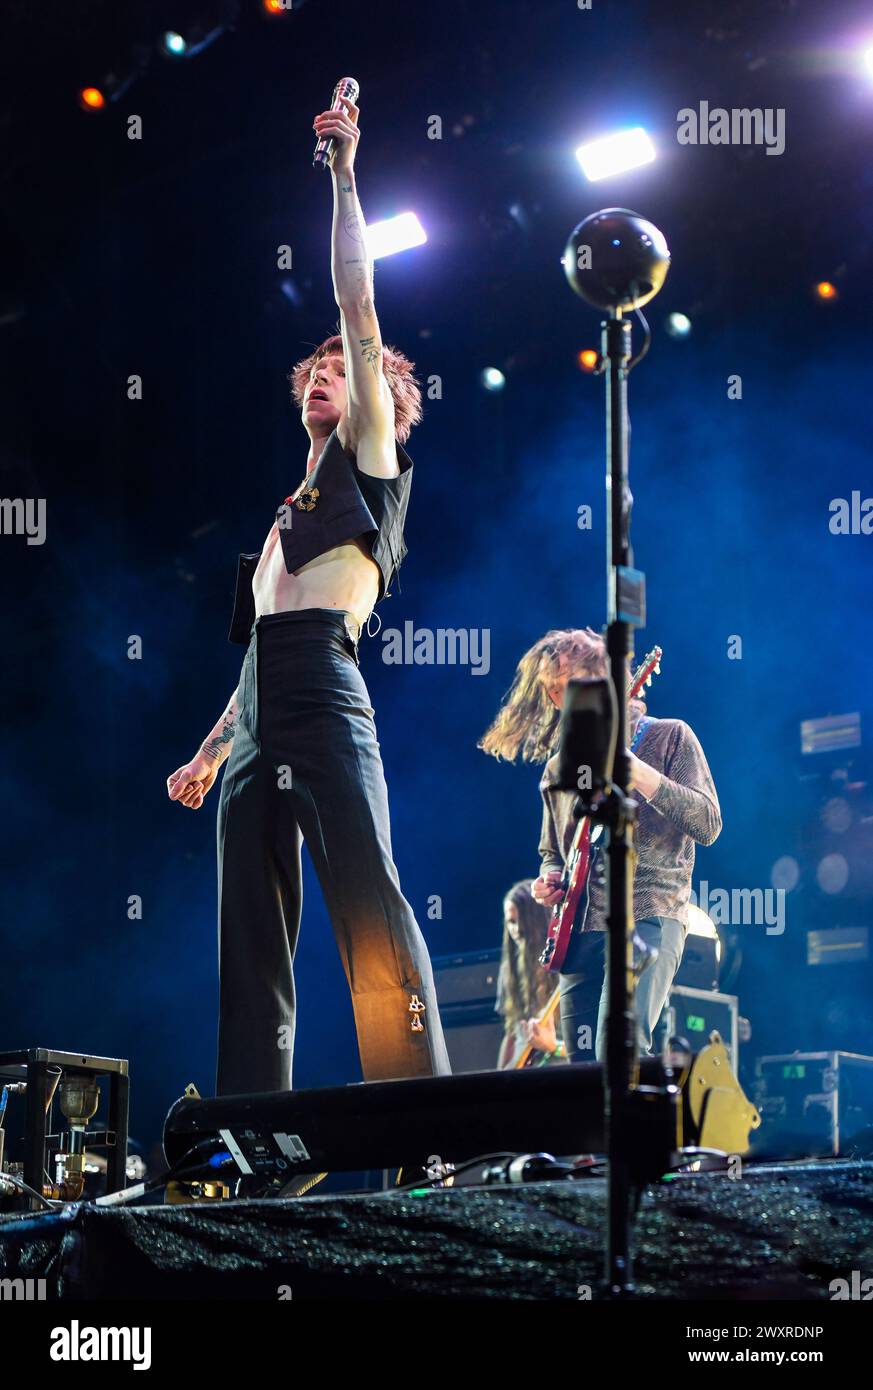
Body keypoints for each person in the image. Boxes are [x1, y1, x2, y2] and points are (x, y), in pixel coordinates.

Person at [166, 93, 450, 1095]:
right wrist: (210, 750)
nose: (327, 373)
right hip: (257, 704)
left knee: (369, 901)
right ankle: (253, 1138)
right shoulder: (282, 511)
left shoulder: (372, 453)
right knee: (250, 940)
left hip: (327, 686)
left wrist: (343, 173)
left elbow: (359, 301)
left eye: (344, 367)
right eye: (317, 370)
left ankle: (421, 1121)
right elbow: (258, 638)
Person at [480, 627, 722, 1062]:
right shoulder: (560, 767)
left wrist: (641, 775)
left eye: (578, 683)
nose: (566, 698)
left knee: (621, 1055)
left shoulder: (670, 737)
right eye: (558, 689)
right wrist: (549, 877)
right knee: (581, 1069)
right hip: (578, 930)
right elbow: (552, 850)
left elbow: (709, 823)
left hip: (648, 913)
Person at [496, 880, 566, 1068]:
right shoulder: (508, 970)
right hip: (522, 1073)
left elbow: (592, 1045)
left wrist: (553, 1046)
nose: (517, 930)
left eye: (523, 922)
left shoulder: (566, 965)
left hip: (564, 1072)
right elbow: (511, 1033)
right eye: (511, 922)